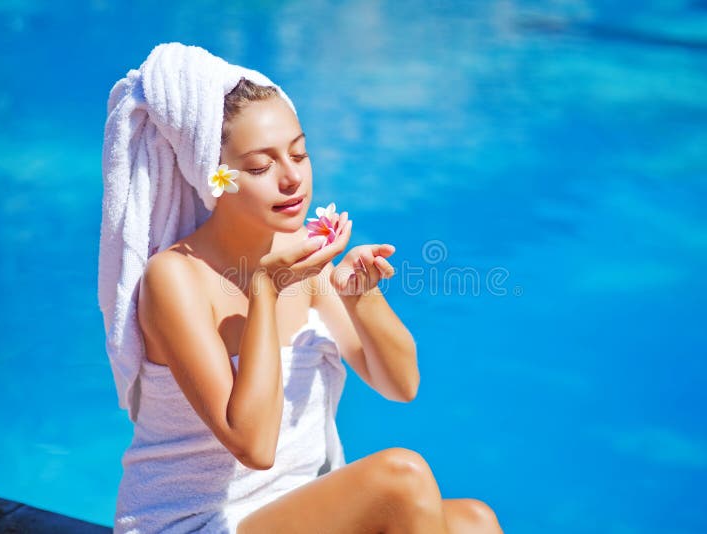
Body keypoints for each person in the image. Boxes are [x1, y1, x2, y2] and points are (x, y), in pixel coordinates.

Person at [101, 43, 503, 534]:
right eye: (259, 166)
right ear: (216, 176)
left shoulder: (304, 255)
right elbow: (254, 445)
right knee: (401, 476)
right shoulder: (176, 278)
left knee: (475, 522)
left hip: (289, 509)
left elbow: (401, 385)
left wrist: (360, 297)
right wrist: (265, 292)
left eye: (299, 153)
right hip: (196, 523)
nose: (292, 178)